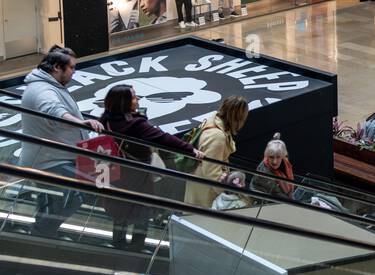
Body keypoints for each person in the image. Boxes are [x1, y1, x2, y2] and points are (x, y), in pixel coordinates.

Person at [99, 84, 203, 250]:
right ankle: (137, 246)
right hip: (139, 173)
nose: (137, 99)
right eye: (133, 97)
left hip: (118, 171)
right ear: (124, 102)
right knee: (143, 208)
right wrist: (190, 149)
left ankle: (118, 243)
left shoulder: (107, 119)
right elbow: (163, 138)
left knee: (121, 206)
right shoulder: (135, 124)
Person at [19, 47, 105, 238]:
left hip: (51, 156)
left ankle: (40, 232)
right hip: (49, 160)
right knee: (80, 189)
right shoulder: (43, 90)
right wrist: (81, 123)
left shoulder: (47, 85)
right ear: (57, 67)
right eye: (72, 68)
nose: (74, 72)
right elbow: (54, 111)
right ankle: (42, 232)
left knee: (49, 196)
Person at [185, 96, 250, 208]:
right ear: (238, 118)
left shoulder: (213, 122)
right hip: (205, 191)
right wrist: (227, 193)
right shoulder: (218, 137)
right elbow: (211, 171)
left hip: (199, 182)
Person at [250, 133, 296, 200]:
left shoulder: (285, 161)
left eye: (278, 157)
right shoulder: (264, 173)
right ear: (267, 156)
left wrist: (275, 139)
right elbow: (276, 194)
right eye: (271, 157)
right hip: (262, 200)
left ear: (283, 156)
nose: (275, 162)